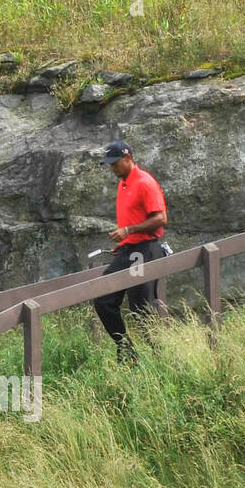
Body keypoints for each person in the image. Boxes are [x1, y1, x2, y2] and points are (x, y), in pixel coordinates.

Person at [94, 140, 168, 363]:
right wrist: (125, 240)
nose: (112, 168)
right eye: (110, 165)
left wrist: (128, 230)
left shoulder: (145, 182)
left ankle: (161, 356)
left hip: (144, 251)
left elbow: (160, 219)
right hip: (130, 249)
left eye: (115, 164)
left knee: (141, 306)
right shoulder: (124, 183)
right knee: (104, 300)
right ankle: (126, 350)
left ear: (128, 158)